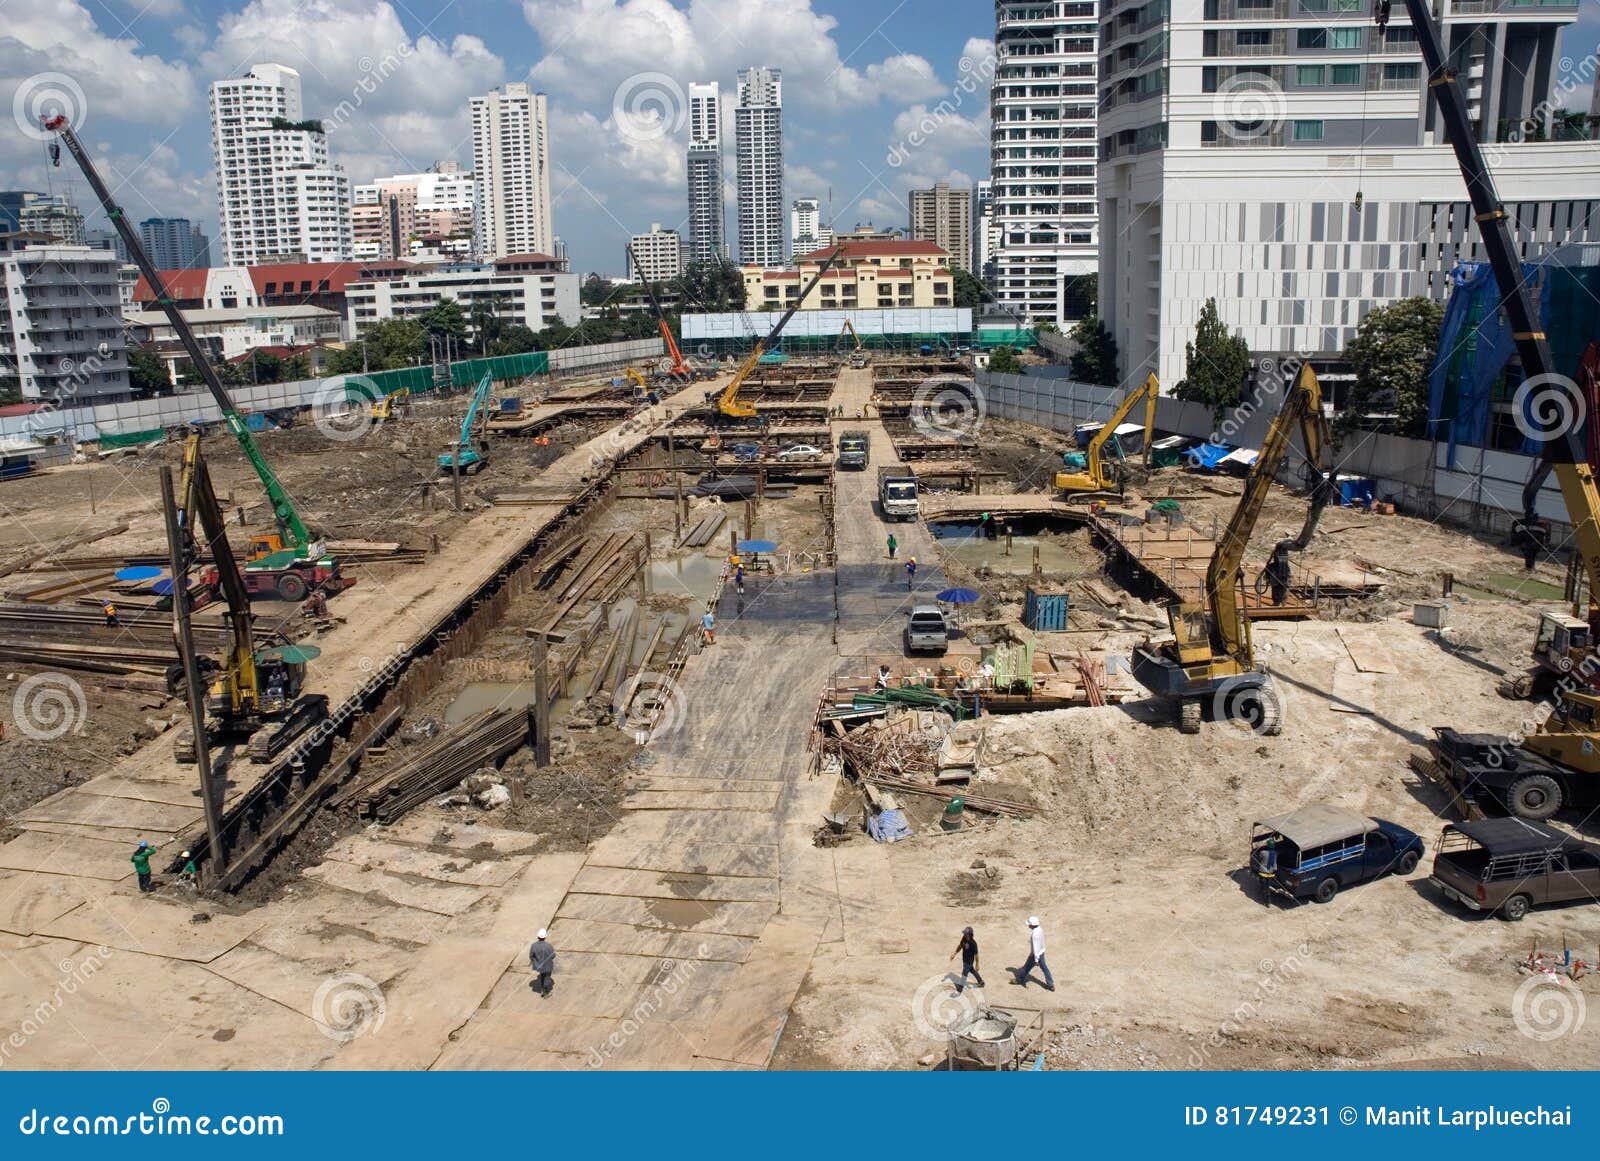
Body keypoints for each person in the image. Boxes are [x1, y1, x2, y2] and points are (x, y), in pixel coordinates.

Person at [1011, 915, 1055, 991]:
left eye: (1029, 924)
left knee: (1026, 967)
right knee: (1045, 968)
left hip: (1035, 955)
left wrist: (1036, 960)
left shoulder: (1035, 935)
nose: (1028, 925)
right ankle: (1050, 985)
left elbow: (1036, 948)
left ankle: (1020, 980)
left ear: (1032, 925)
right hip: (1041, 952)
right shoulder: (1040, 929)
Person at [950, 926, 985, 993]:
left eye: (966, 934)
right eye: (964, 933)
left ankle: (959, 989)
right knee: (972, 971)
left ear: (970, 934)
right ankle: (981, 981)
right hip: (965, 960)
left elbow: (976, 955)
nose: (964, 934)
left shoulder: (973, 943)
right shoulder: (964, 939)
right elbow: (960, 946)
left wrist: (977, 964)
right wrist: (954, 954)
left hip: (969, 962)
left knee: (964, 974)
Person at [529, 929, 556, 997]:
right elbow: (553, 955)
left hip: (539, 966)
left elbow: (531, 956)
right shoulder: (548, 945)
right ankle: (545, 992)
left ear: (538, 937)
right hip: (547, 966)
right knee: (547, 977)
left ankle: (542, 988)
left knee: (542, 976)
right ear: (545, 937)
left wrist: (536, 962)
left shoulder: (533, 945)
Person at [1253, 837, 1279, 906]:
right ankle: (1268, 901)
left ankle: (1266, 901)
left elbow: (1259, 856)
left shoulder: (1263, 852)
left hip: (1263, 873)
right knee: (1267, 887)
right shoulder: (1275, 853)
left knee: (1264, 887)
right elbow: (1275, 864)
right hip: (1270, 874)